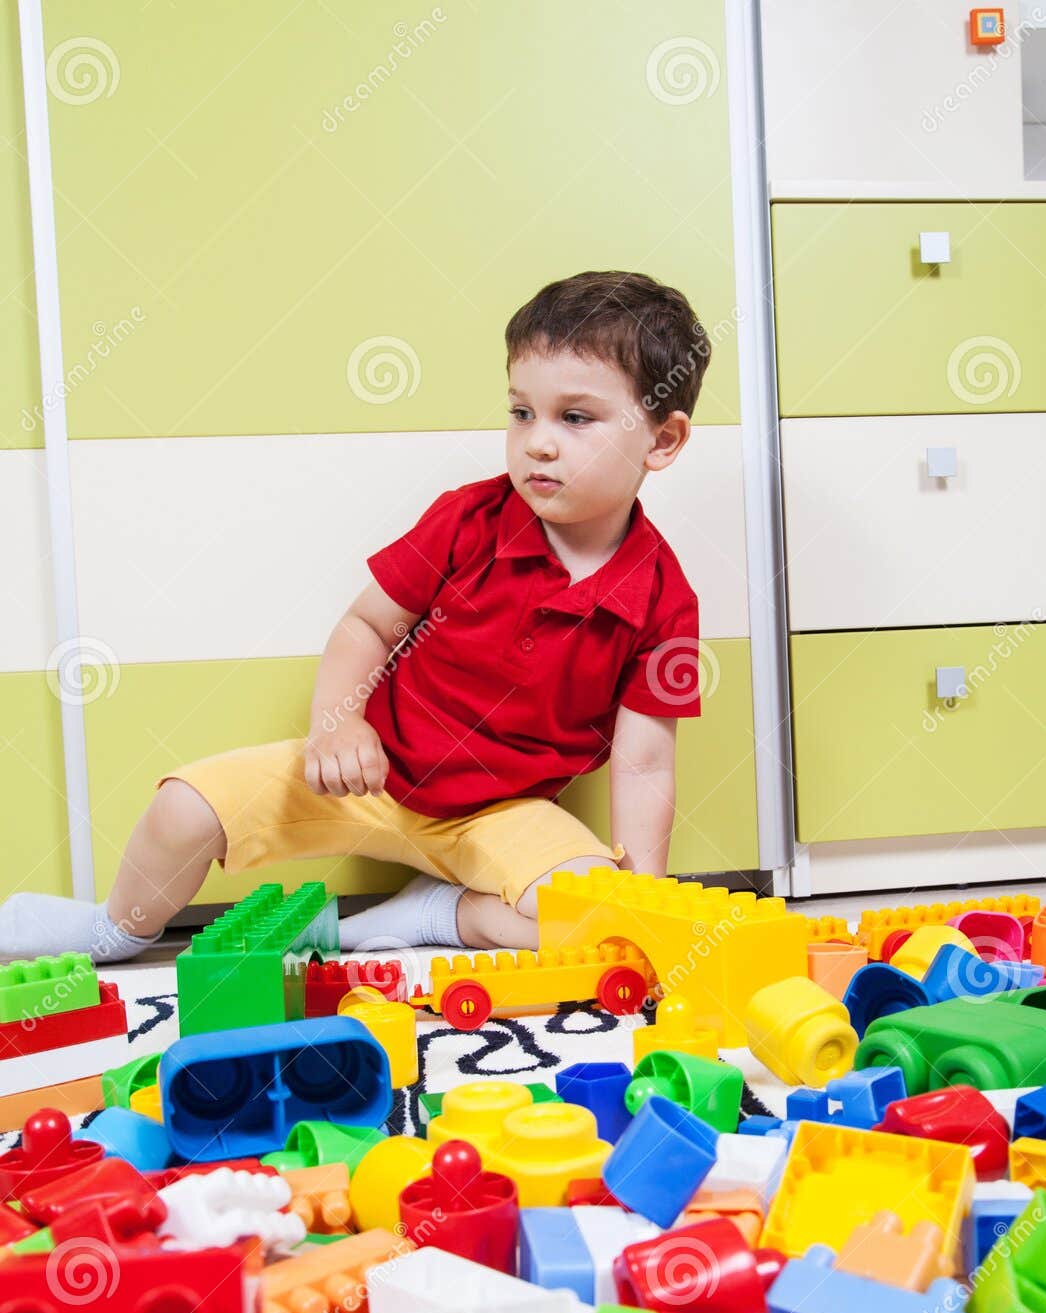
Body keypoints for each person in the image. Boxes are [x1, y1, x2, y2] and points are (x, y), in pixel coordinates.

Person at [0, 270, 709, 964]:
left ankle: (439, 915)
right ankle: (117, 929)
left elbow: (644, 759)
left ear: (662, 441)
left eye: (574, 418)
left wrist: (640, 899)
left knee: (600, 926)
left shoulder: (662, 598)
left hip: (502, 815)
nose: (538, 442)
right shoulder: (468, 518)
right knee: (182, 805)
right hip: (369, 778)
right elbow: (368, 625)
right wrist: (338, 722)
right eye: (522, 412)